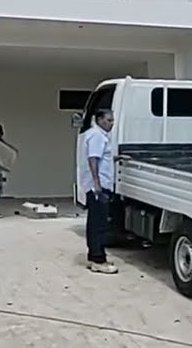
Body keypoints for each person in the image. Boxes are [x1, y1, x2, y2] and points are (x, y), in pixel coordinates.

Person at [78, 107, 118, 274]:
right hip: (98, 187)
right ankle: (98, 260)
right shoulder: (96, 135)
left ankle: (94, 255)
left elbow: (102, 158)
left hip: (97, 185)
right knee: (99, 223)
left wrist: (116, 158)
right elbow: (93, 159)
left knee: (95, 222)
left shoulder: (97, 135)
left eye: (112, 120)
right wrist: (97, 184)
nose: (111, 123)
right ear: (100, 120)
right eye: (109, 120)